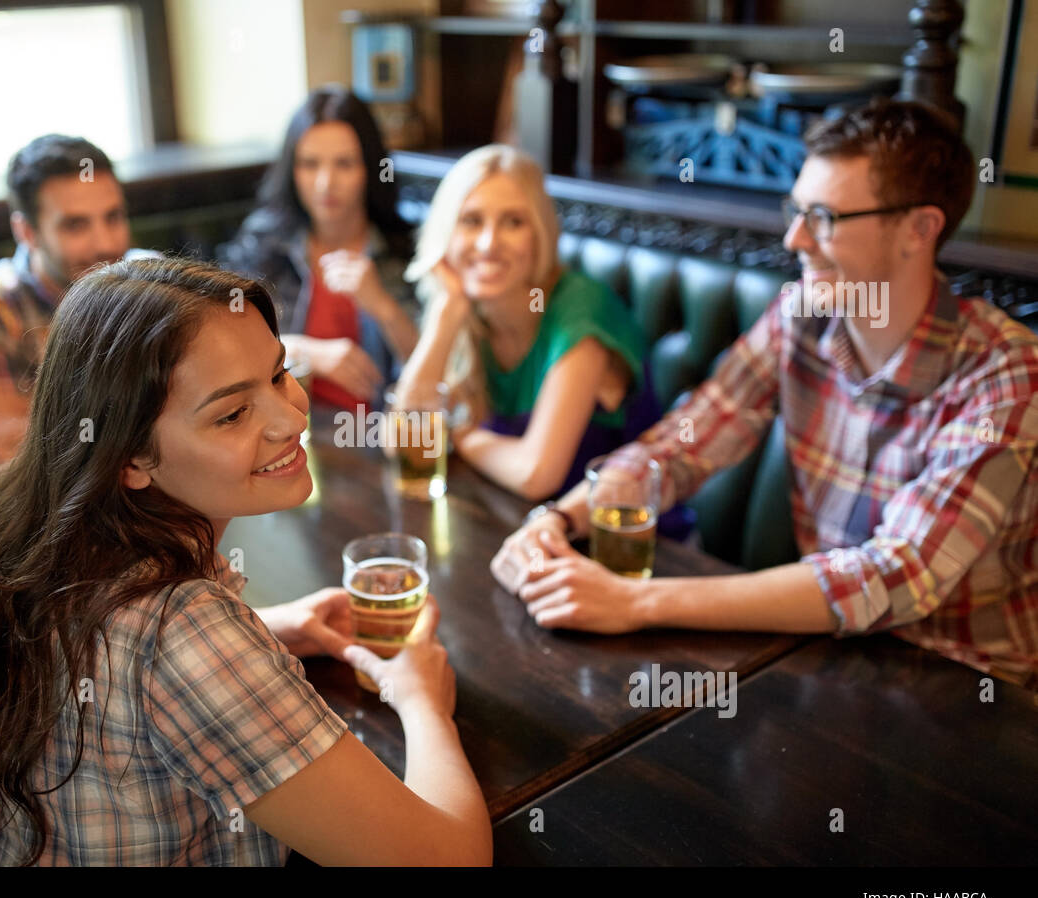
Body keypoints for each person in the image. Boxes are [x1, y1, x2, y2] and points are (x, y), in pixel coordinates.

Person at [0, 257, 490, 866]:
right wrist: (422, 701)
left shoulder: (40, 533)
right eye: (232, 413)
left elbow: (117, 670)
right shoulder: (188, 633)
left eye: (279, 375)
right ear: (131, 458)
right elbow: (450, 859)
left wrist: (272, 628)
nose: (291, 418)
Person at [492, 99, 1038, 690]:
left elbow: (896, 574)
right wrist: (559, 518)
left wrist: (636, 602)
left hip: (972, 695)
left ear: (920, 228)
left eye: (824, 216)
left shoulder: (1003, 372)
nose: (794, 237)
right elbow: (686, 440)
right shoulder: (799, 315)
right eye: (796, 209)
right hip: (832, 658)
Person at [394, 144, 657, 501]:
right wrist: (446, 314)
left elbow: (536, 475)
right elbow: (400, 443)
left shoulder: (582, 307)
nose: (488, 244)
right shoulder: (469, 311)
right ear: (444, 234)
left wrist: (461, 436)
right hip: (521, 529)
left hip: (626, 542)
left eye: (513, 222)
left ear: (540, 234)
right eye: (471, 221)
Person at [0, 134, 154, 474]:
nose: (105, 244)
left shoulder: (150, 280)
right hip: (30, 521)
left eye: (113, 217)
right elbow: (11, 458)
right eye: (75, 225)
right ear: (27, 232)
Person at [220, 85, 419, 411]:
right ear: (291, 170)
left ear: (370, 168)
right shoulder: (264, 243)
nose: (326, 183)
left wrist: (384, 308)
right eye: (310, 164)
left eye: (344, 164)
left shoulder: (406, 250)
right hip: (288, 431)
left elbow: (437, 375)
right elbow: (223, 347)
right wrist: (305, 352)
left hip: (383, 437)